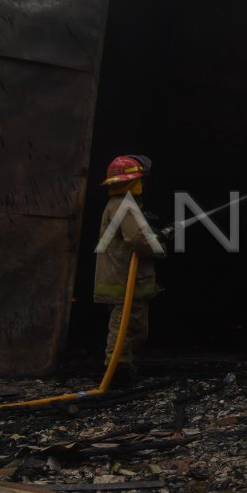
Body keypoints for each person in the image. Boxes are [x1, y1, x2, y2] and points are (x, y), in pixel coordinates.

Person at [93, 154, 165, 381]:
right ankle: (117, 373)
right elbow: (139, 240)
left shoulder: (119, 204)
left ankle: (123, 367)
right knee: (125, 328)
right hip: (125, 281)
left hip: (123, 280)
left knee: (132, 328)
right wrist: (160, 244)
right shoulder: (125, 205)